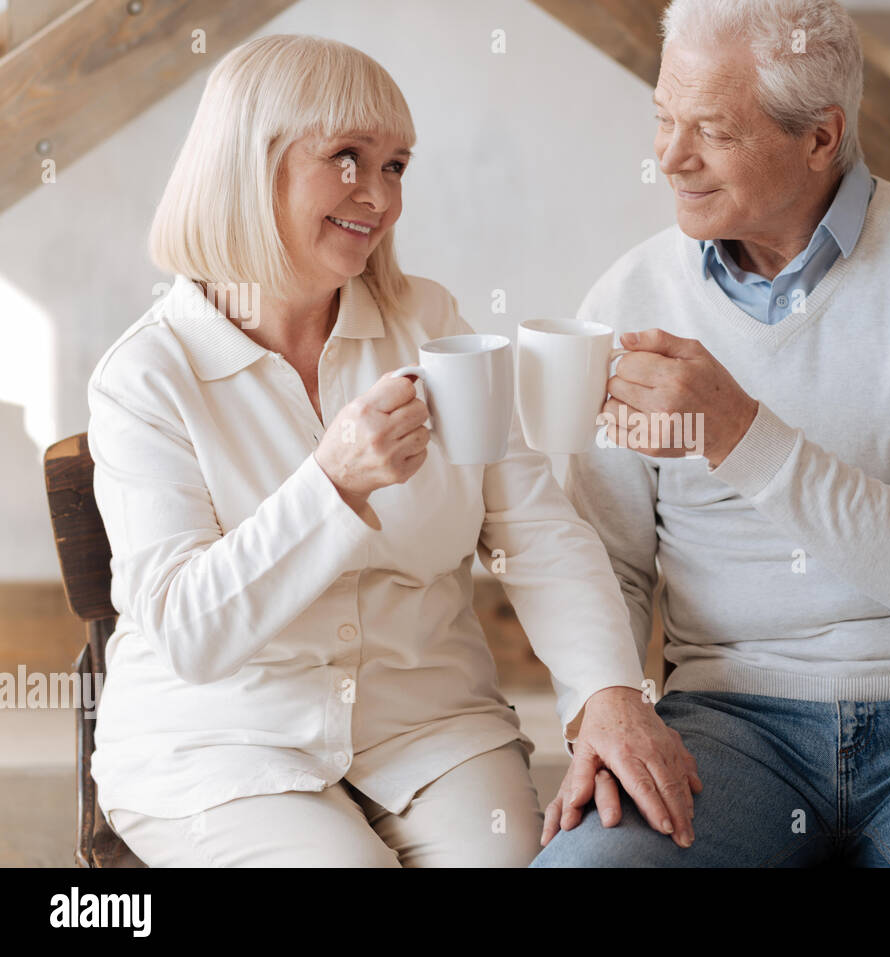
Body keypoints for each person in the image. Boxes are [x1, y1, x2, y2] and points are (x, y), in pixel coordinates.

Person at [87, 33, 698, 868]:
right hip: (223, 742)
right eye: (348, 157)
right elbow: (193, 634)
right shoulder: (147, 377)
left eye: (398, 166)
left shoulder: (434, 328)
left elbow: (540, 532)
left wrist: (607, 695)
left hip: (429, 730)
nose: (379, 196)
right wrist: (332, 483)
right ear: (248, 164)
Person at [533, 0, 890, 867]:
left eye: (712, 131)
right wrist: (601, 704)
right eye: (662, 119)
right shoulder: (629, 297)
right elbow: (607, 560)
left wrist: (736, 429)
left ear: (821, 137)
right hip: (729, 724)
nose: (669, 156)